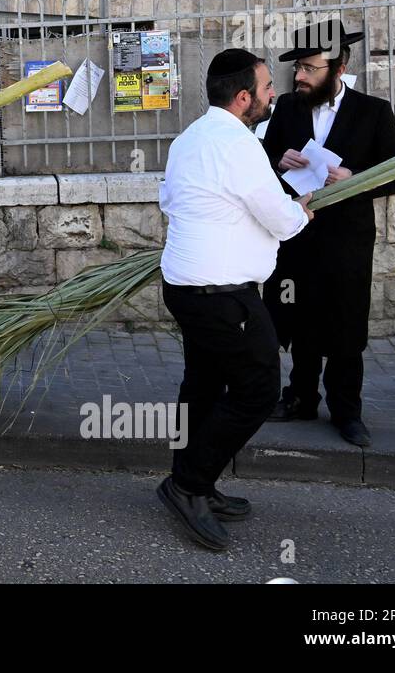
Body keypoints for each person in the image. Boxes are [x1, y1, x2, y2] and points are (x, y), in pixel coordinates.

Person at [156, 48, 314, 551]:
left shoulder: (189, 139)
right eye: (267, 88)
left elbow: (172, 201)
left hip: (186, 288)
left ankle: (194, 479)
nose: (273, 96)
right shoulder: (239, 146)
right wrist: (302, 211)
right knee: (258, 389)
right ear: (244, 97)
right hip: (223, 295)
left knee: (202, 384)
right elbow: (281, 218)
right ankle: (188, 485)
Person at [262, 20, 395, 448]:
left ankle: (347, 411)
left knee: (345, 325)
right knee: (298, 318)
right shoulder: (288, 107)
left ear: (339, 66)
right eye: (298, 68)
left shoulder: (373, 111)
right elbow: (265, 158)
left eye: (310, 68)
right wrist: (278, 161)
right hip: (296, 235)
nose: (300, 76)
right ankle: (300, 398)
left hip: (347, 240)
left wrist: (354, 178)